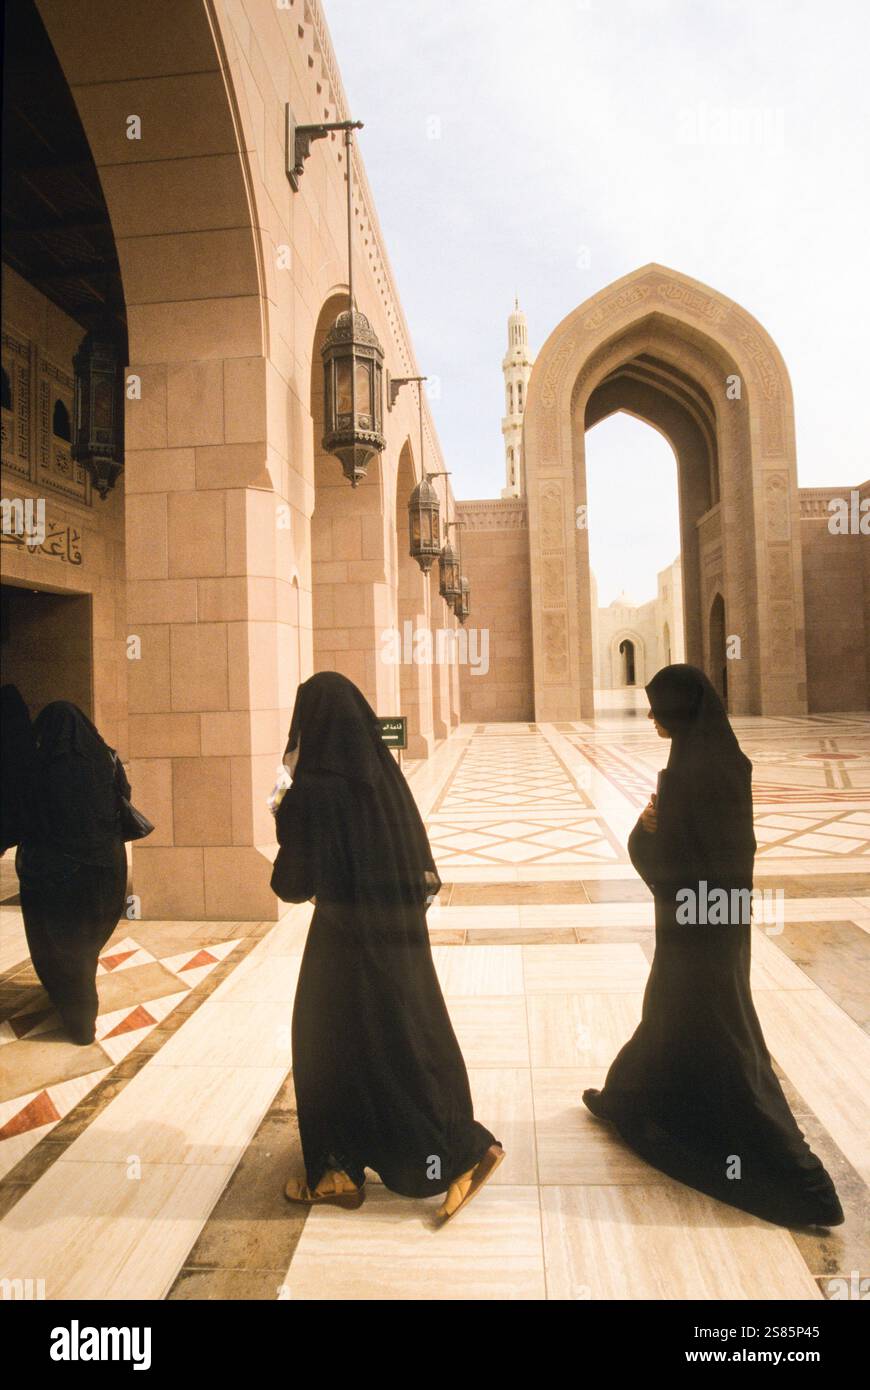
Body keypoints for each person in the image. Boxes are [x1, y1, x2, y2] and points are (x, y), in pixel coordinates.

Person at [583, 664, 844, 1229]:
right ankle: (629, 1096)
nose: (650, 716)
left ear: (679, 710)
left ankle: (797, 1178)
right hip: (719, 925)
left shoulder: (687, 775)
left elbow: (668, 864)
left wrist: (645, 833)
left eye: (657, 708)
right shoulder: (725, 761)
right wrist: (658, 829)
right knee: (673, 1013)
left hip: (692, 931)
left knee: (714, 1028)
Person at [271, 671, 503, 1220]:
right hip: (397, 936)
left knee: (326, 1045)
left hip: (342, 943)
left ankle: (347, 1169)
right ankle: (359, 1166)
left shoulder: (313, 789)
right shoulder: (381, 773)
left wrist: (285, 813)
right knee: (405, 1036)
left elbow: (291, 884)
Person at [16, 701, 130, 1045]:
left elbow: (28, 815)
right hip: (103, 869)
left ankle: (73, 1008)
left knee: (55, 943)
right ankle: (80, 1012)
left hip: (55, 874)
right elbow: (122, 798)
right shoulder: (105, 758)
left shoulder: (40, 766)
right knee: (83, 946)